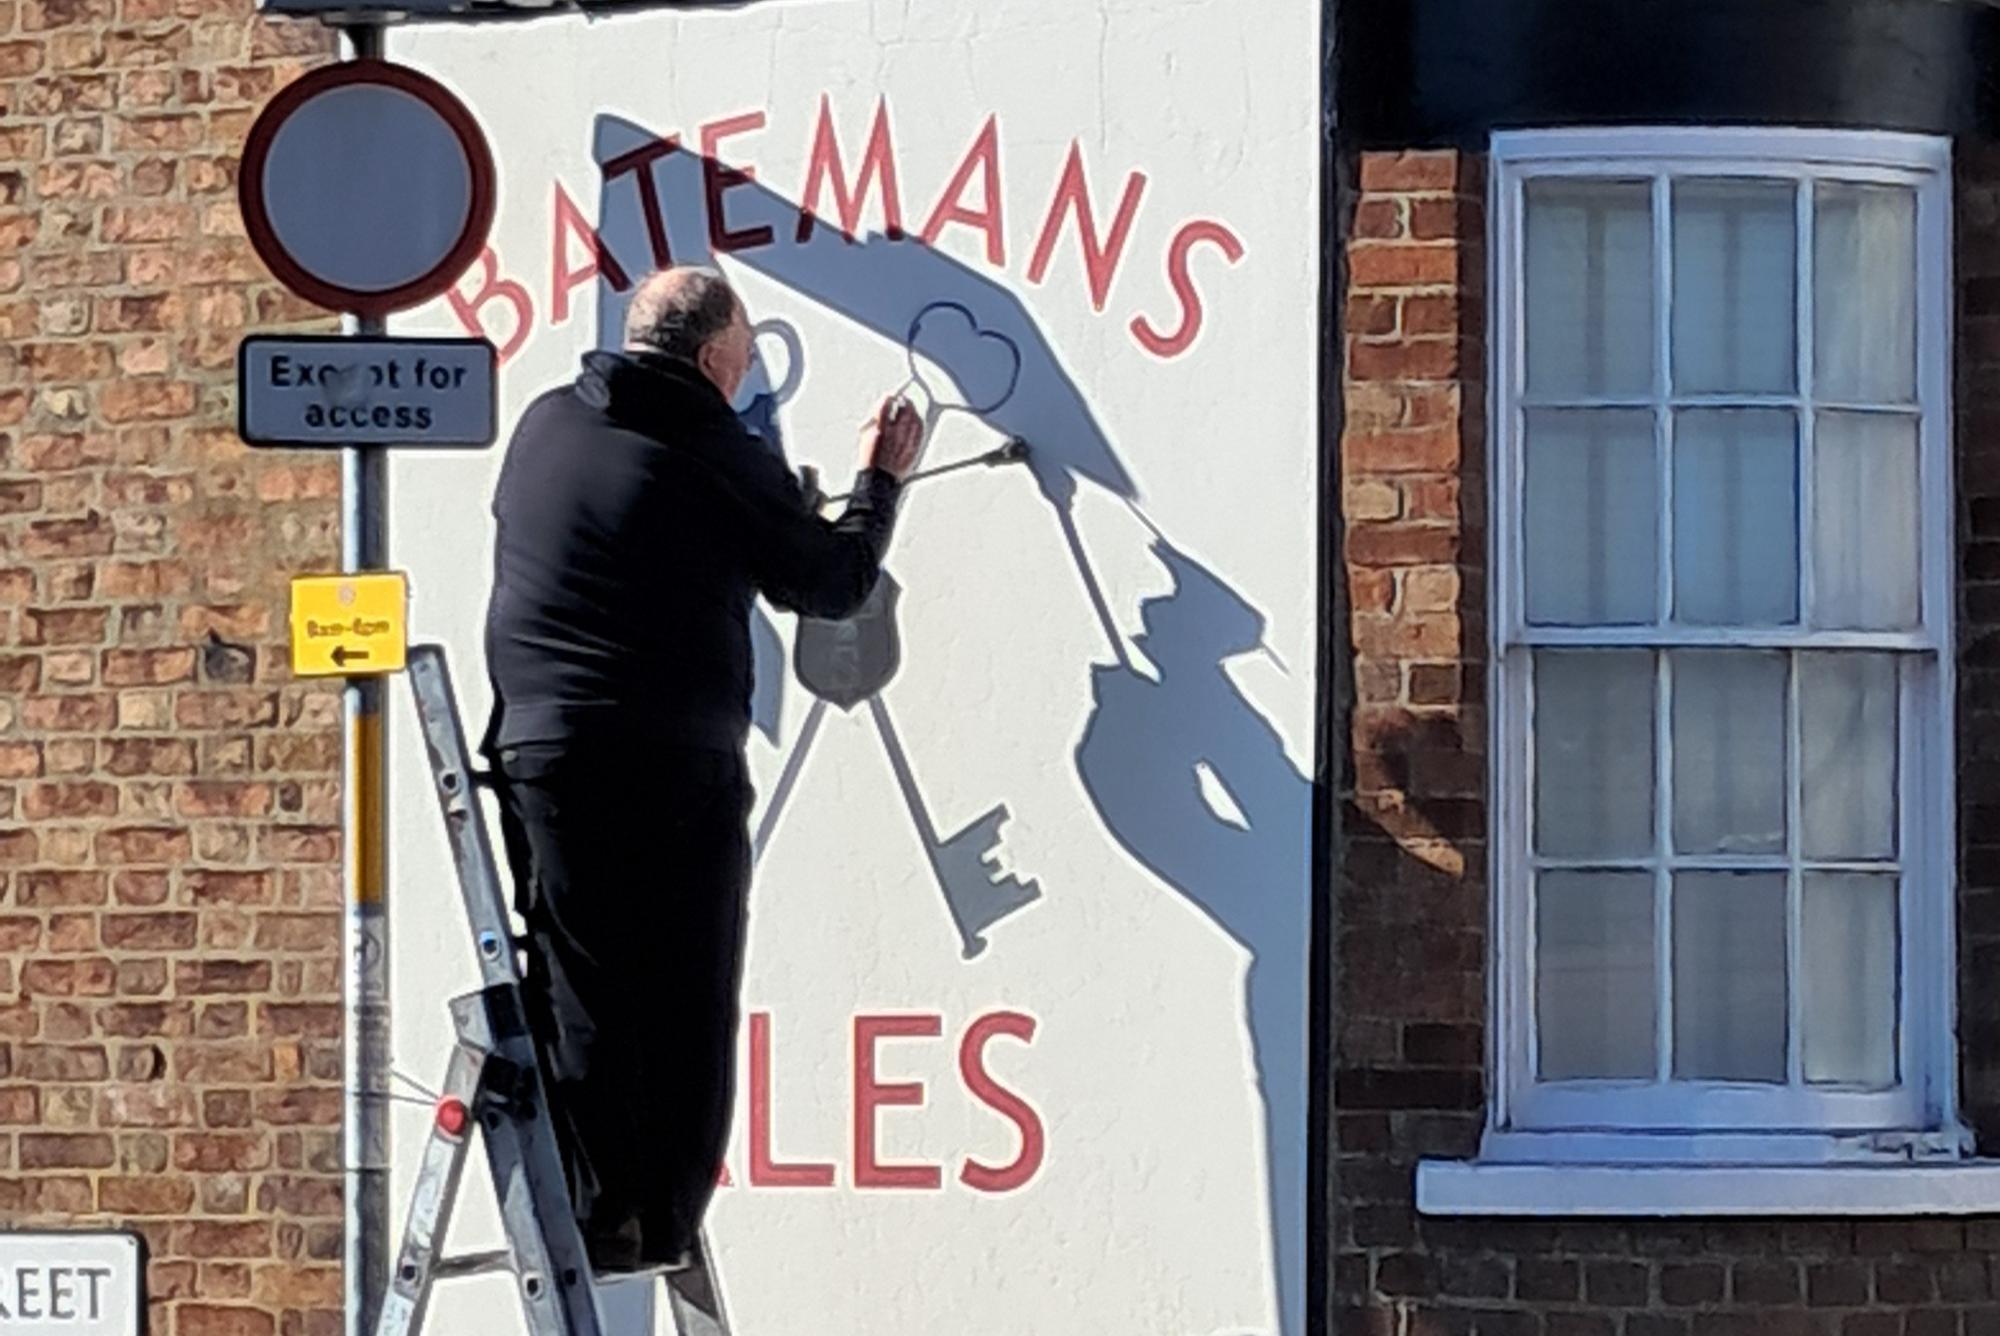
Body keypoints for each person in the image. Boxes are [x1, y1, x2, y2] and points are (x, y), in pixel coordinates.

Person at [481, 265, 923, 1275]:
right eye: (745, 358)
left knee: (580, 980)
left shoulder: (547, 423)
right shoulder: (712, 444)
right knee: (684, 991)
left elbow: (633, 543)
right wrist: (879, 480)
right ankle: (659, 1222)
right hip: (662, 755)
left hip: (535, 748)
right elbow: (830, 582)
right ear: (718, 357)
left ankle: (593, 1211)